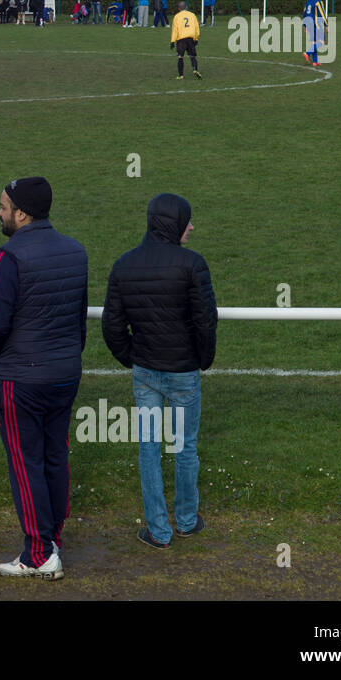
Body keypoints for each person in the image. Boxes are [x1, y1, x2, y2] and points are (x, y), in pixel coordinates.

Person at [0, 177, 88, 580]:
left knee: (26, 464)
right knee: (55, 455)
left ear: (22, 213)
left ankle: (39, 553)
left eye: (3, 206)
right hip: (65, 373)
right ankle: (52, 537)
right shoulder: (75, 251)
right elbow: (78, 320)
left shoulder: (8, 257)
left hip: (22, 379)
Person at [101, 194, 217, 550]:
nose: (192, 226)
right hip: (183, 372)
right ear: (173, 223)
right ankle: (185, 522)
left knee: (149, 449)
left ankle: (158, 531)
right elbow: (205, 321)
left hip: (146, 372)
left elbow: (112, 325)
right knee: (185, 447)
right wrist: (202, 360)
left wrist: (132, 357)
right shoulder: (192, 264)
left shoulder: (124, 265)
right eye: (187, 220)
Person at [170, 0, 201, 79]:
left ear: (178, 8)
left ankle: (181, 75)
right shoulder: (192, 15)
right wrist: (196, 38)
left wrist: (172, 41)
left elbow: (175, 30)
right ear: (186, 7)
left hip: (181, 39)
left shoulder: (177, 16)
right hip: (191, 38)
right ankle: (195, 69)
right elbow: (196, 27)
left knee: (180, 57)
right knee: (192, 56)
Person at [303, 0, 328, 64]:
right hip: (316, 24)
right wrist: (326, 25)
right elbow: (322, 14)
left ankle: (315, 61)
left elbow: (304, 13)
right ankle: (307, 53)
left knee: (315, 43)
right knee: (321, 42)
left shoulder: (308, 1)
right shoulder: (318, 1)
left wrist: (305, 25)